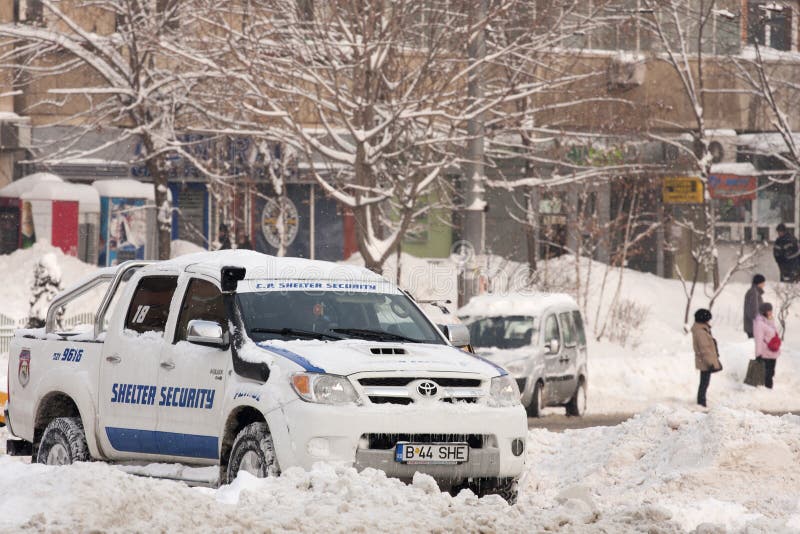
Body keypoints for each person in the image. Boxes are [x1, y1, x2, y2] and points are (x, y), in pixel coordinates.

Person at [691, 308, 722, 407]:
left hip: (705, 360)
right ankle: (701, 402)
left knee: (704, 382)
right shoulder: (701, 331)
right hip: (705, 361)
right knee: (704, 383)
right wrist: (710, 362)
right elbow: (704, 349)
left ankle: (701, 401)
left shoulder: (702, 329)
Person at [753, 302, 781, 389]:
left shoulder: (769, 321)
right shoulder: (759, 323)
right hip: (765, 353)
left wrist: (770, 320)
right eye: (768, 311)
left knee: (771, 373)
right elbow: (758, 340)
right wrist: (758, 354)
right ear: (763, 311)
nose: (770, 312)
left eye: (771, 310)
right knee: (766, 375)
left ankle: (768, 391)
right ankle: (765, 392)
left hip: (773, 352)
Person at [743, 274, 765, 339]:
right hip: (753, 327)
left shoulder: (755, 292)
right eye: (763, 282)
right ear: (759, 283)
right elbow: (753, 311)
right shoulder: (753, 293)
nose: (764, 285)